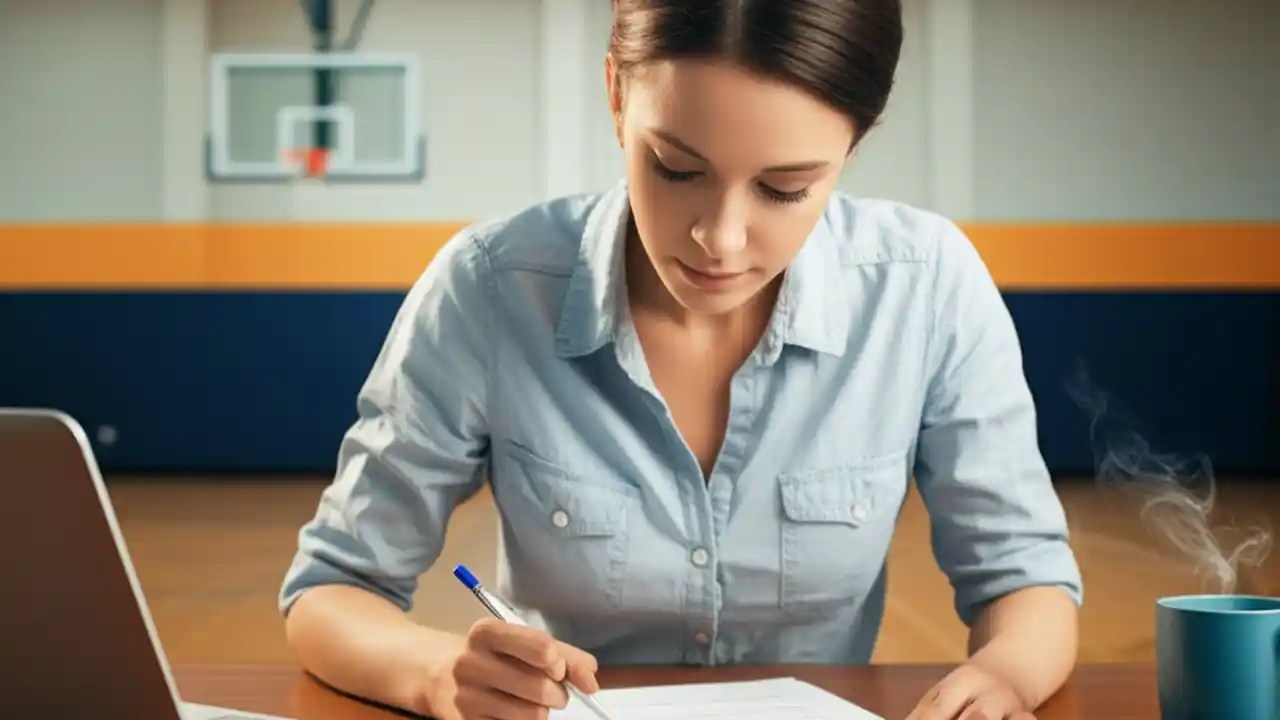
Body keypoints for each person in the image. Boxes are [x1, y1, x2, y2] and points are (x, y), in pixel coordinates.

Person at [279, 1, 1084, 718]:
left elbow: (1024, 577)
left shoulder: (925, 288)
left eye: (785, 188)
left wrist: (1006, 673)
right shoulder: (490, 289)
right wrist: (437, 675)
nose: (719, 240)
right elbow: (333, 590)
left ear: (855, 141)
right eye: (677, 169)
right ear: (616, 95)